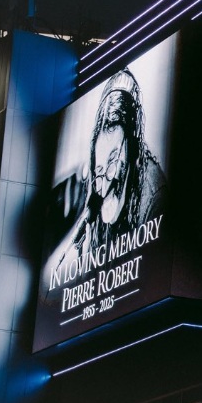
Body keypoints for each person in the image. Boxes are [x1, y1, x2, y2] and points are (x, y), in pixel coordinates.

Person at [44, 69, 168, 288]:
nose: (104, 183)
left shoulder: (154, 198)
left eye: (113, 162)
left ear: (131, 147)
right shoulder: (89, 187)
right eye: (99, 168)